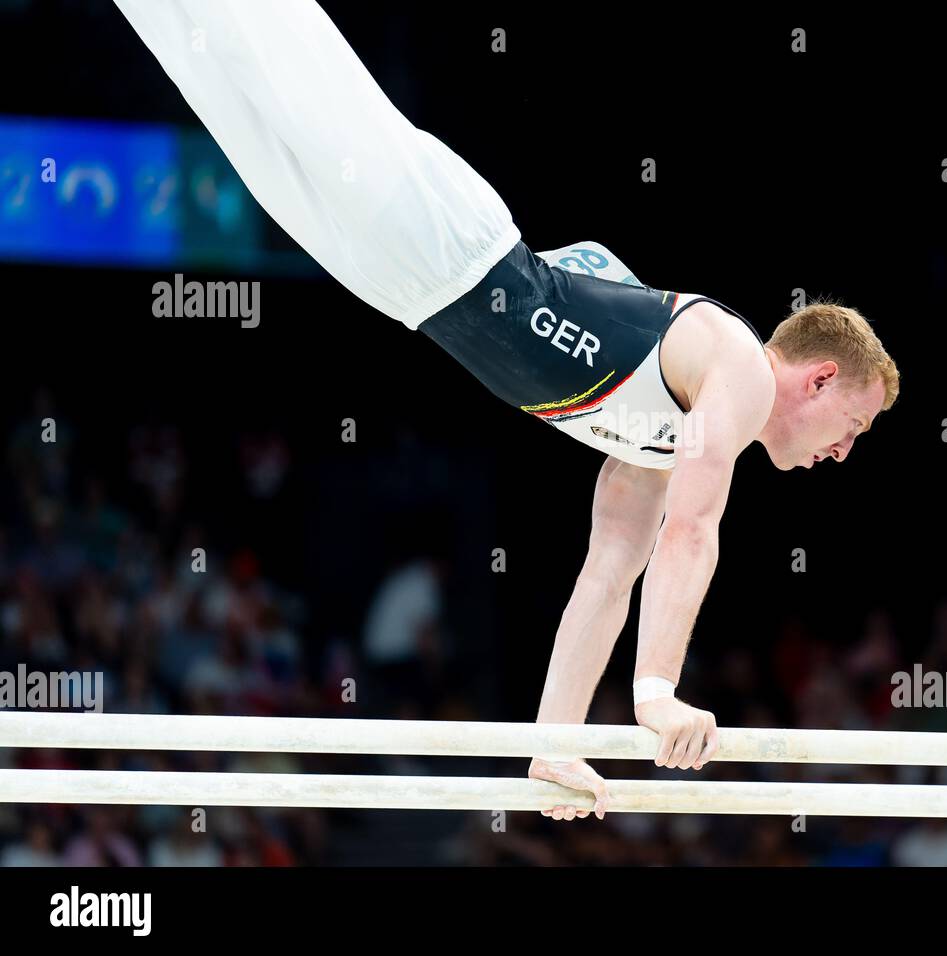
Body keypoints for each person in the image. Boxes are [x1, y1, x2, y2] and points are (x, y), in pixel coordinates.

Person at [113, 0, 900, 820]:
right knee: (282, 56)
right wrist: (656, 692)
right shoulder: (735, 363)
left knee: (229, 94)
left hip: (406, 292)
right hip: (457, 243)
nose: (845, 453)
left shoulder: (670, 442)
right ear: (818, 379)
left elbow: (607, 577)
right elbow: (694, 533)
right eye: (855, 427)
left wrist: (552, 747)